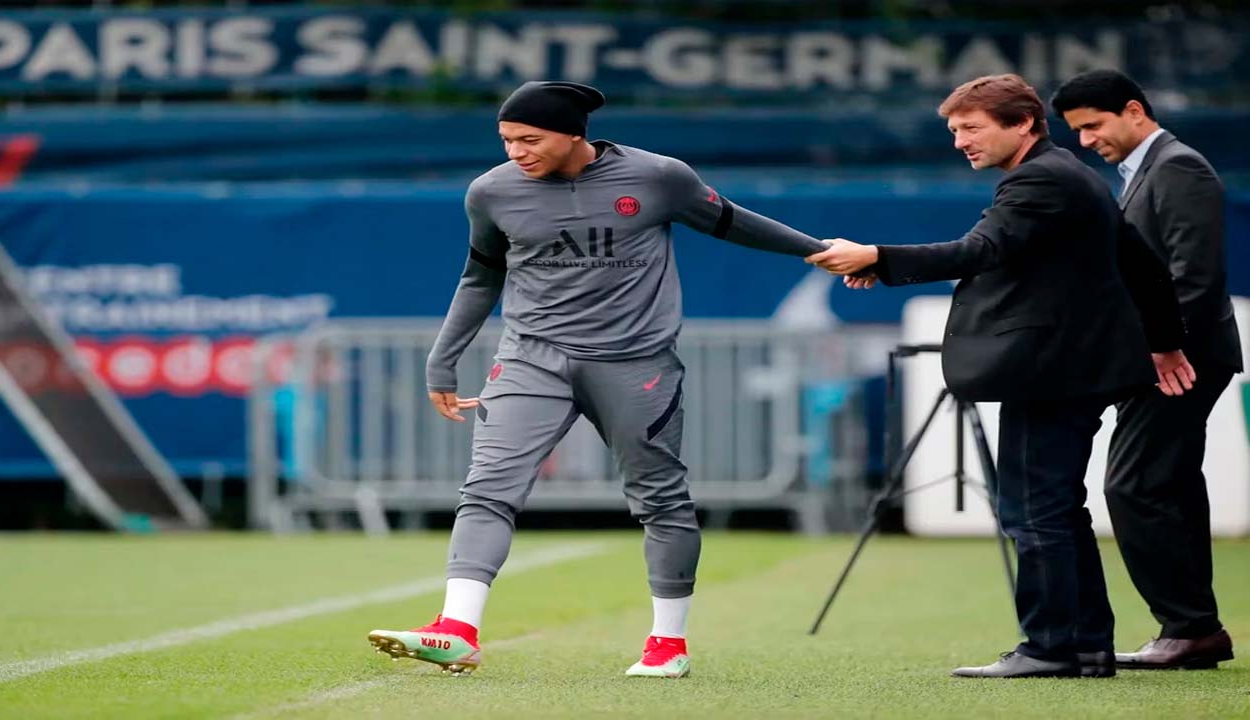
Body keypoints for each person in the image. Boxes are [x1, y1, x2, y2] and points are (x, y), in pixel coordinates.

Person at [368, 81, 829, 678]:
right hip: (531, 359)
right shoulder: (491, 191)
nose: (515, 152)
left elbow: (732, 222)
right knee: (487, 488)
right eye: (506, 140)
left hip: (636, 363)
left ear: (573, 134)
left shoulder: (659, 177)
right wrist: (442, 360)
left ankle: (668, 644)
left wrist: (816, 250)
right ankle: (457, 629)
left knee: (660, 499)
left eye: (529, 139)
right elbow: (479, 277)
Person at [806, 74, 1191, 679]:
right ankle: (1083, 645)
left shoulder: (1041, 178)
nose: (960, 141)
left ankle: (1051, 647)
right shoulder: (1067, 174)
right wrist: (1165, 342)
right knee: (1056, 507)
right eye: (954, 130)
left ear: (1023, 123)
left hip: (1053, 371)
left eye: (971, 127)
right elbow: (1141, 262)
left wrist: (877, 256)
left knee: (1034, 509)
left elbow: (977, 250)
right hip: (1069, 367)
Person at [1052, 69, 1241, 670]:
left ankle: (1189, 627)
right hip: (1169, 353)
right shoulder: (1149, 170)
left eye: (1093, 126)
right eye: (1078, 132)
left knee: (1134, 485)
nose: (1086, 141)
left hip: (1180, 357)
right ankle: (1194, 630)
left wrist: (1164, 347)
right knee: (1170, 484)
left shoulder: (1178, 167)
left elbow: (1196, 275)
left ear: (1135, 110)